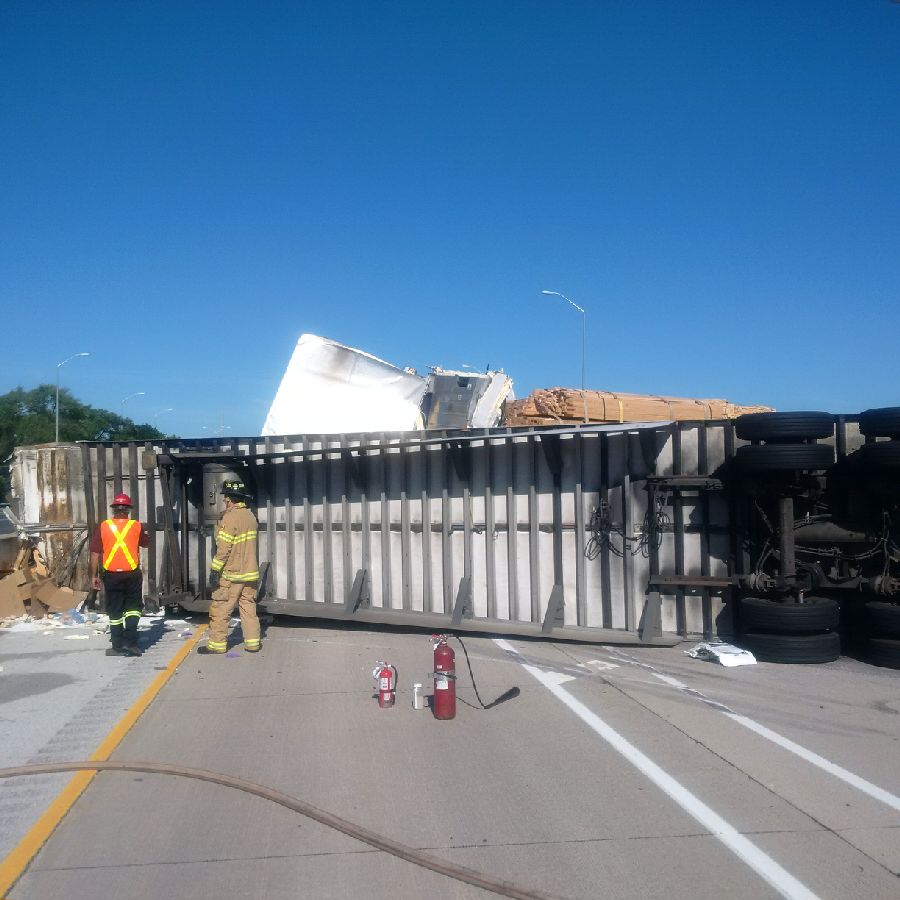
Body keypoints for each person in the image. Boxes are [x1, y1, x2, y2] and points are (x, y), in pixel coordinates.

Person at [200, 479, 261, 654]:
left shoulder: (229, 517)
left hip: (232, 574)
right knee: (248, 607)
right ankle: (253, 644)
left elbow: (224, 549)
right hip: (250, 574)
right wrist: (216, 530)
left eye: (225, 499)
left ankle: (216, 645)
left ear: (229, 499)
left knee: (221, 608)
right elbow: (240, 539)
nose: (225, 502)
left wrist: (214, 570)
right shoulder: (250, 517)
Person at [90, 493, 149, 657]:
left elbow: (95, 554)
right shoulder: (136, 526)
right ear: (128, 510)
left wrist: (93, 576)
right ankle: (131, 642)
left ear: (114, 510)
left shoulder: (104, 526)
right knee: (133, 608)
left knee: (115, 611)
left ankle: (117, 645)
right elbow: (146, 543)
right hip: (132, 574)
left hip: (111, 576)